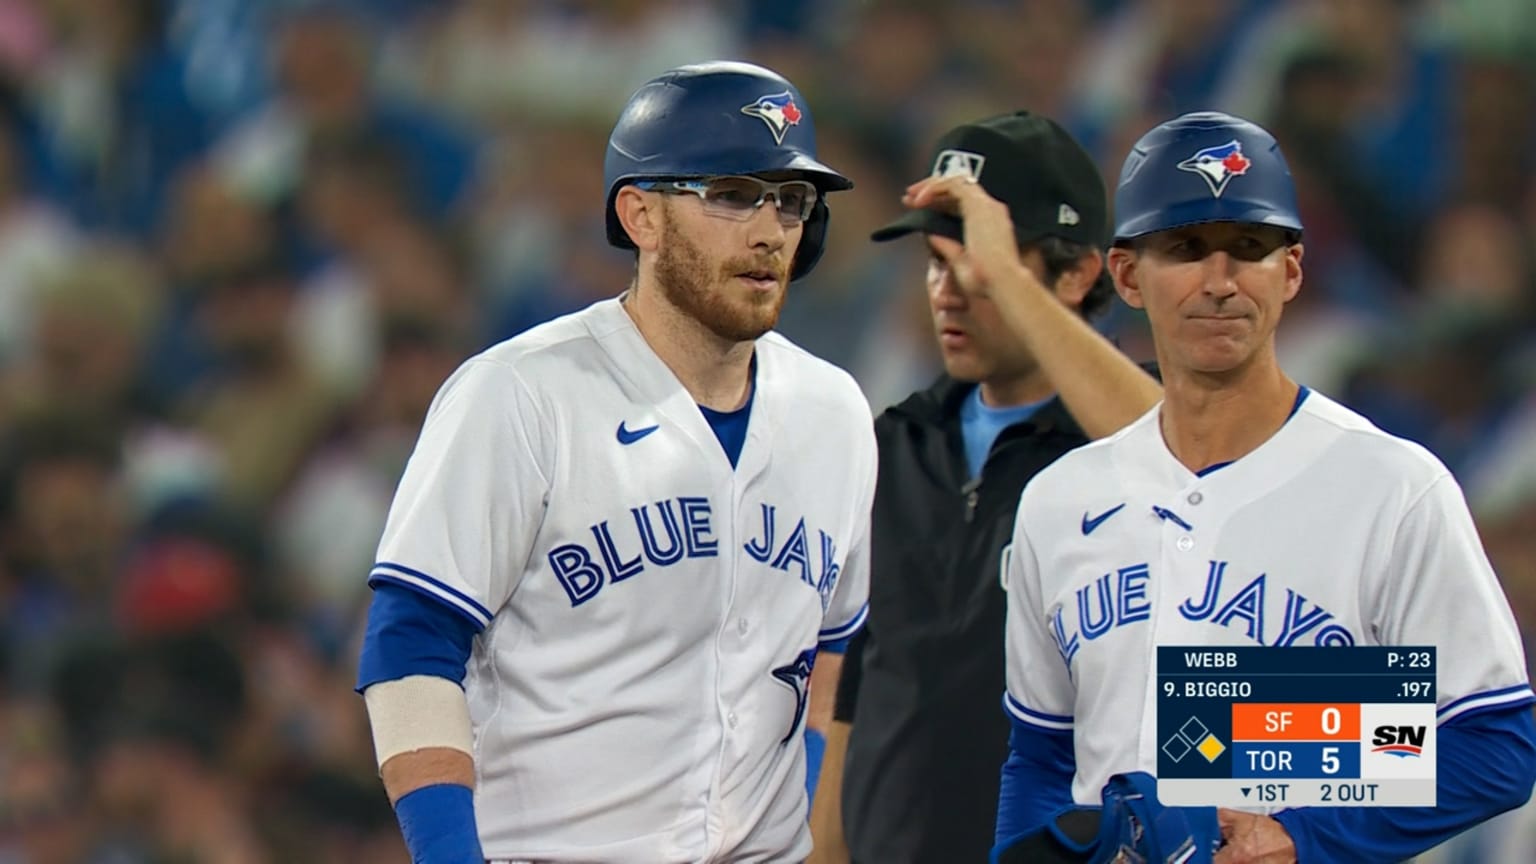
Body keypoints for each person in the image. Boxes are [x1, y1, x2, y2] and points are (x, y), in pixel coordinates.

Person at [354, 60, 875, 864]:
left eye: (792, 200)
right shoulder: (521, 395)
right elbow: (410, 648)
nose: (771, 230)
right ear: (641, 214)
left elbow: (834, 651)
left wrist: (805, 817)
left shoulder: (836, 413)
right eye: (733, 195)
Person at [994, 111, 1536, 863]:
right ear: (1126, 275)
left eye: (1248, 249)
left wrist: (1298, 833)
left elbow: (1495, 743)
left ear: (1291, 270)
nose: (1219, 282)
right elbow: (1043, 757)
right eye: (1185, 249)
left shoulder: (1394, 486)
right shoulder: (1060, 502)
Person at [806, 111, 1162, 864]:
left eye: (981, 264)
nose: (949, 291)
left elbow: (1190, 469)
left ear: (1077, 272)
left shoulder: (1129, 436)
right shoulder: (895, 445)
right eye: (937, 262)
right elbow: (862, 694)